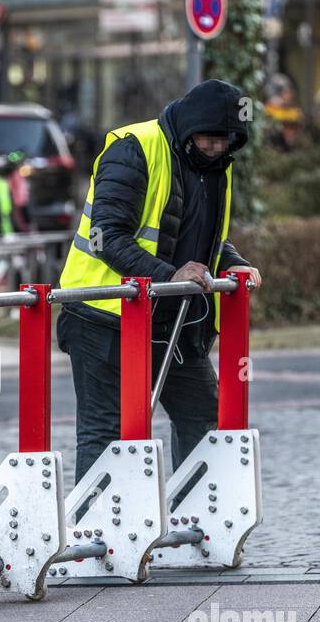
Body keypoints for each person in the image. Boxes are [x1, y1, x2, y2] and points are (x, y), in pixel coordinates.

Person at [56, 78, 264, 482]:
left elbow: (201, 235)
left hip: (170, 317)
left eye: (226, 142)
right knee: (106, 432)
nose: (216, 148)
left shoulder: (215, 163)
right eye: (209, 139)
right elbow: (106, 236)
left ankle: (197, 514)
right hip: (103, 314)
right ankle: (95, 520)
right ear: (189, 128)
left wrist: (232, 262)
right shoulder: (135, 148)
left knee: (204, 418)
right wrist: (171, 276)